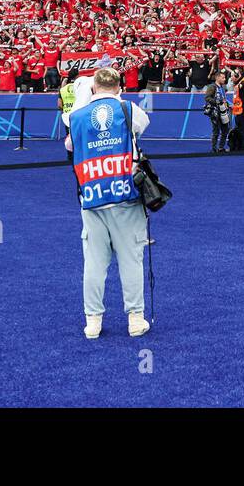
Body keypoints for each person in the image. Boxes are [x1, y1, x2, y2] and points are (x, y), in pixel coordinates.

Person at [67, 67, 151, 339]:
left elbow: (70, 145)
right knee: (131, 259)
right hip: (124, 192)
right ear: (119, 87)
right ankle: (135, 318)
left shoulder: (77, 116)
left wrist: (82, 97)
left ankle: (93, 321)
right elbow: (143, 125)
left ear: (94, 87)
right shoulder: (127, 109)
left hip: (91, 194)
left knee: (93, 263)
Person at [203, 71, 231, 153]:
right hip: (215, 112)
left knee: (225, 130)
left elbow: (223, 99)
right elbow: (207, 98)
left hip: (223, 112)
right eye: (223, 77)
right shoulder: (212, 87)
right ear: (217, 78)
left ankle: (221, 147)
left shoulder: (222, 88)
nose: (224, 79)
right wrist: (217, 102)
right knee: (216, 131)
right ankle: (214, 148)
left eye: (224, 77)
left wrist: (227, 105)